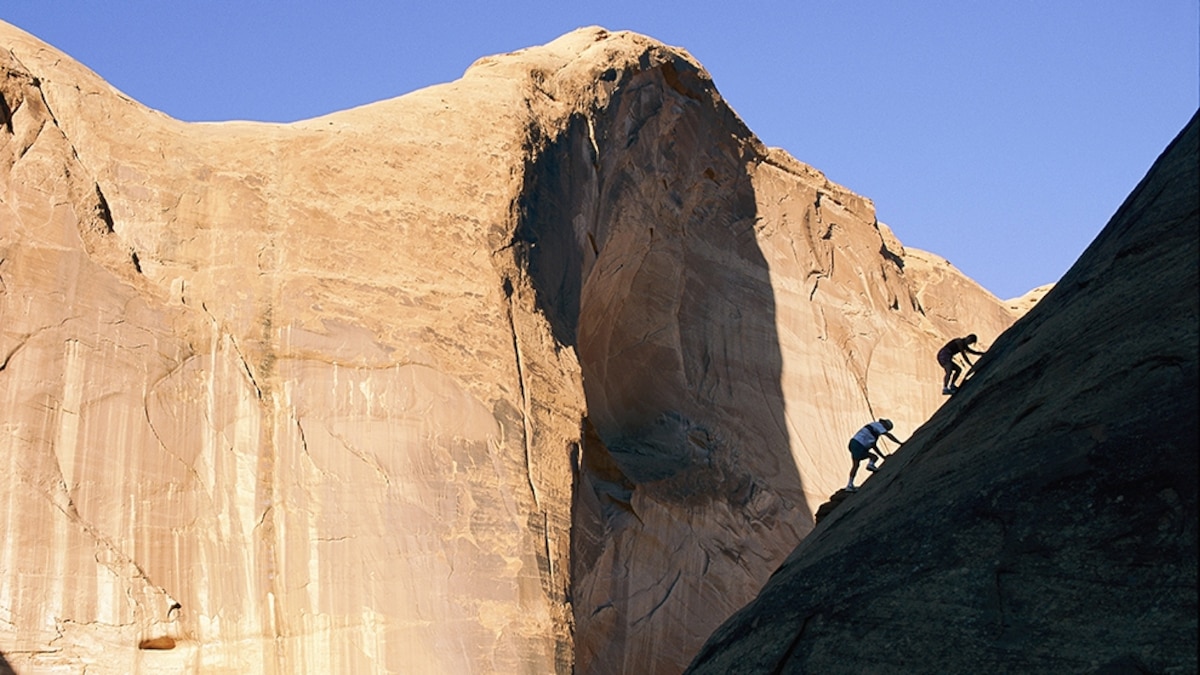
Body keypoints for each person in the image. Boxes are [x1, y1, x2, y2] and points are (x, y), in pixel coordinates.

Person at [845, 418, 903, 492]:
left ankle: (850, 485)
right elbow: (888, 435)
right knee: (874, 457)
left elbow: (874, 446)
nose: (885, 430)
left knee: (856, 465)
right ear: (884, 424)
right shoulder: (878, 425)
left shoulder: (873, 431)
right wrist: (900, 443)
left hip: (854, 443)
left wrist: (883, 457)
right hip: (860, 445)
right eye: (886, 428)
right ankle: (870, 465)